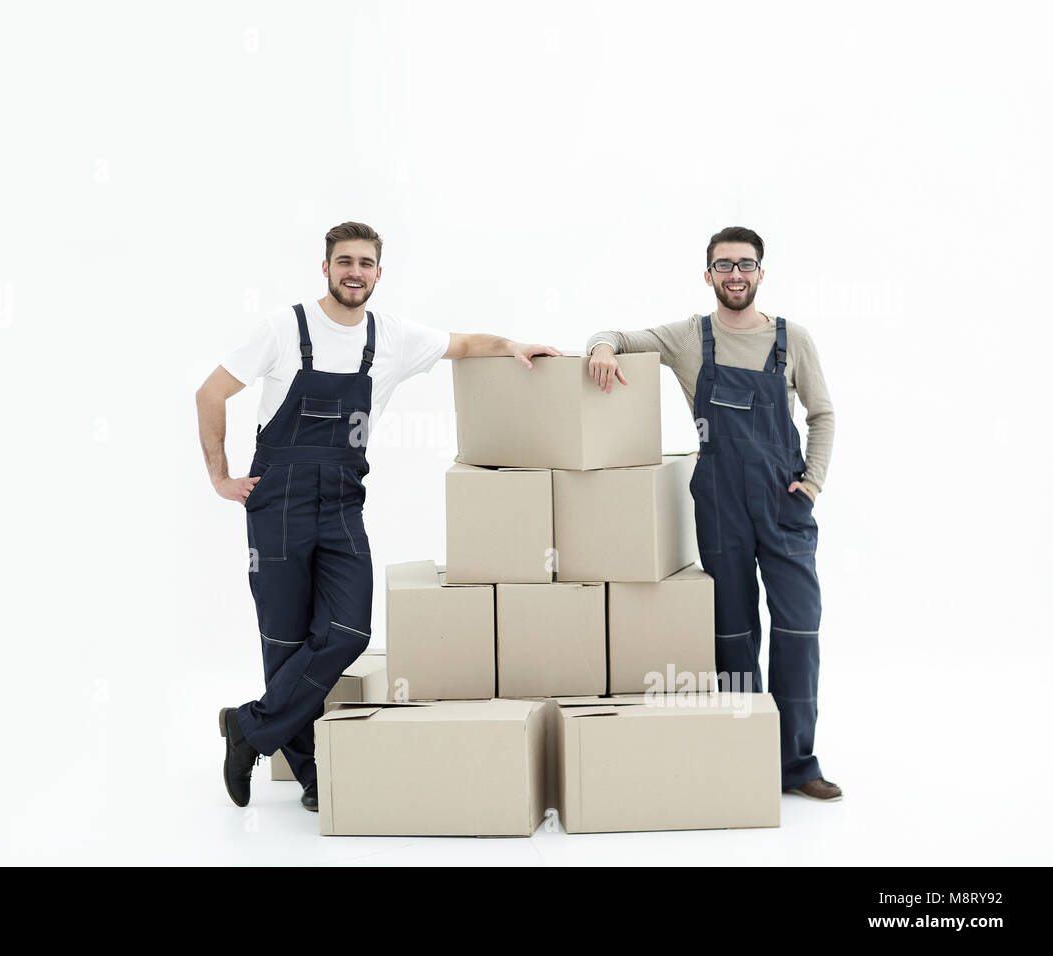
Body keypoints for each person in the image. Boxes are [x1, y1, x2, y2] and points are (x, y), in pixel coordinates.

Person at [196, 221, 560, 812]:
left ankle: (249, 728)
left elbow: (463, 345)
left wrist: (515, 345)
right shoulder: (284, 328)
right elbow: (210, 394)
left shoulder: (391, 336)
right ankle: (313, 774)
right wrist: (220, 478)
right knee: (286, 641)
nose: (354, 273)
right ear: (325, 268)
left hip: (342, 500)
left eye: (365, 263)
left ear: (379, 273)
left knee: (347, 631)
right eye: (344, 262)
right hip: (278, 500)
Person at [585, 226, 841, 801]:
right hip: (721, 501)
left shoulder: (790, 338)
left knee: (799, 626)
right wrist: (602, 348)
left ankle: (796, 765)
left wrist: (813, 483)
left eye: (745, 265)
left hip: (784, 501)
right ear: (708, 275)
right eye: (724, 266)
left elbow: (823, 414)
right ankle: (744, 756)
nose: (735, 275)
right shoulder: (687, 339)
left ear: (760, 273)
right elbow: (615, 335)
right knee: (732, 630)